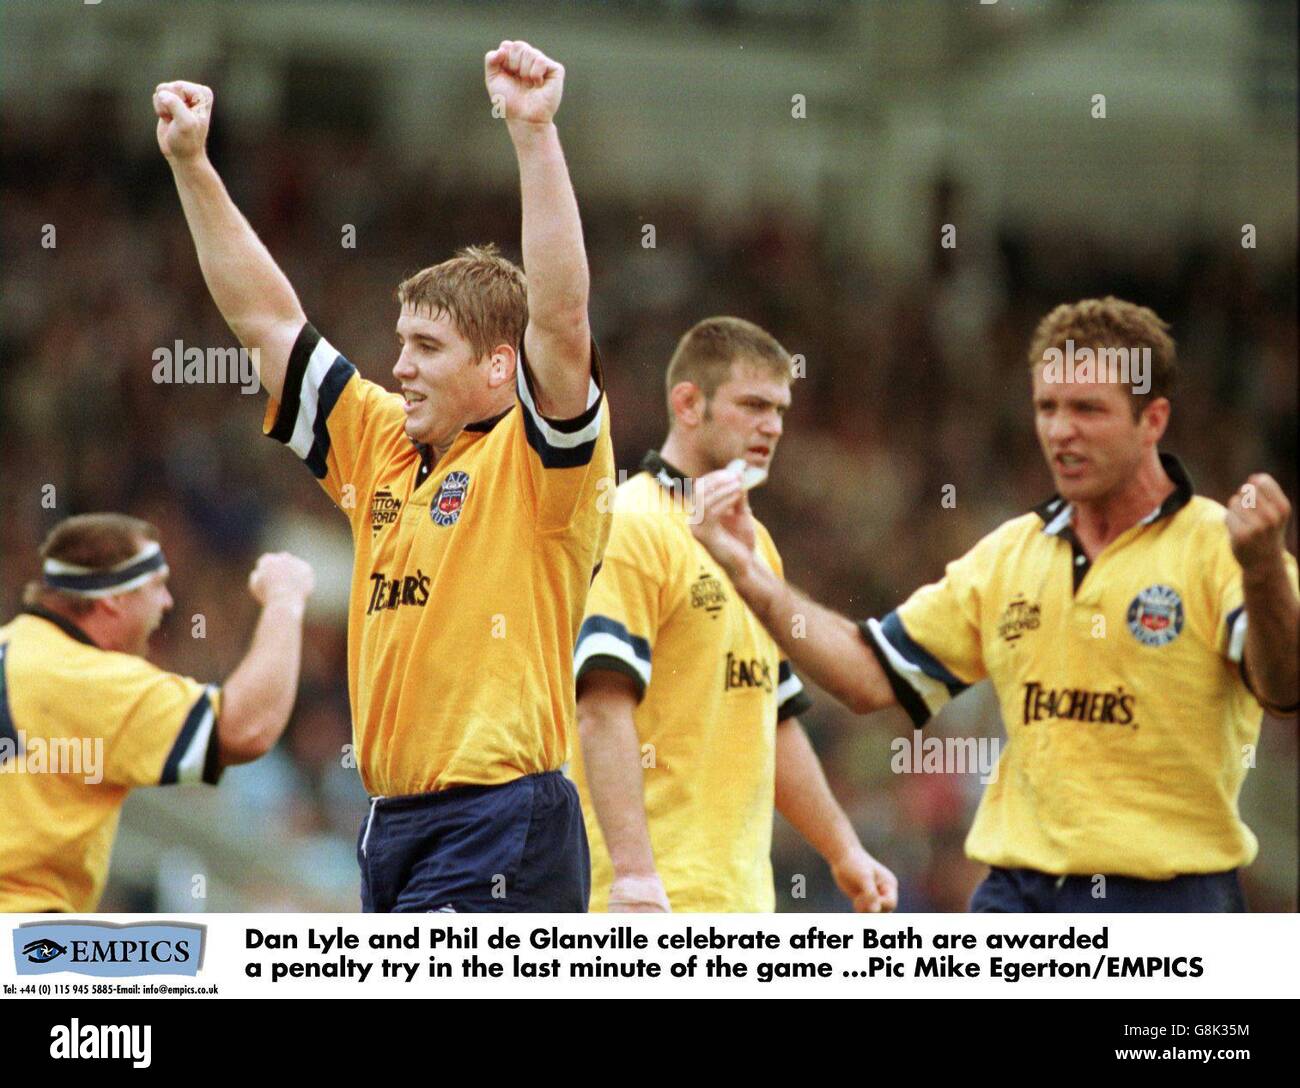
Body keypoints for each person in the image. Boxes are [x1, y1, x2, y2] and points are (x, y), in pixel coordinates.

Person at [157, 40, 613, 912]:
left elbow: (561, 319)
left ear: (498, 366)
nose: (399, 366)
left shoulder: (540, 463)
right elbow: (267, 322)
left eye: (427, 347)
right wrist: (192, 166)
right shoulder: (382, 445)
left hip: (500, 822)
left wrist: (533, 133)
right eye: (402, 342)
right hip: (393, 825)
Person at [688, 297, 1299, 912]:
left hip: (1170, 905)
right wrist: (750, 574)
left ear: (1153, 420)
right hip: (1017, 896)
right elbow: (870, 675)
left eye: (1087, 409)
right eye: (1047, 407)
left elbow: (1286, 686)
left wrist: (1264, 571)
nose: (1060, 431)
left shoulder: (1220, 549)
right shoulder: (1008, 556)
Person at [572, 317, 898, 913]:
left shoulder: (754, 546)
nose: (773, 426)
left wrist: (844, 850)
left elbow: (772, 715)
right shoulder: (633, 522)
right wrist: (636, 877)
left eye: (780, 409)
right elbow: (600, 710)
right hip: (649, 902)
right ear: (688, 404)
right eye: (753, 405)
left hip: (742, 901)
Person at [0, 513, 315, 912]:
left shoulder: (13, 646)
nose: (167, 601)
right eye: (157, 585)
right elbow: (245, 729)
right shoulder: (90, 680)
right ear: (114, 598)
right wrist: (285, 600)